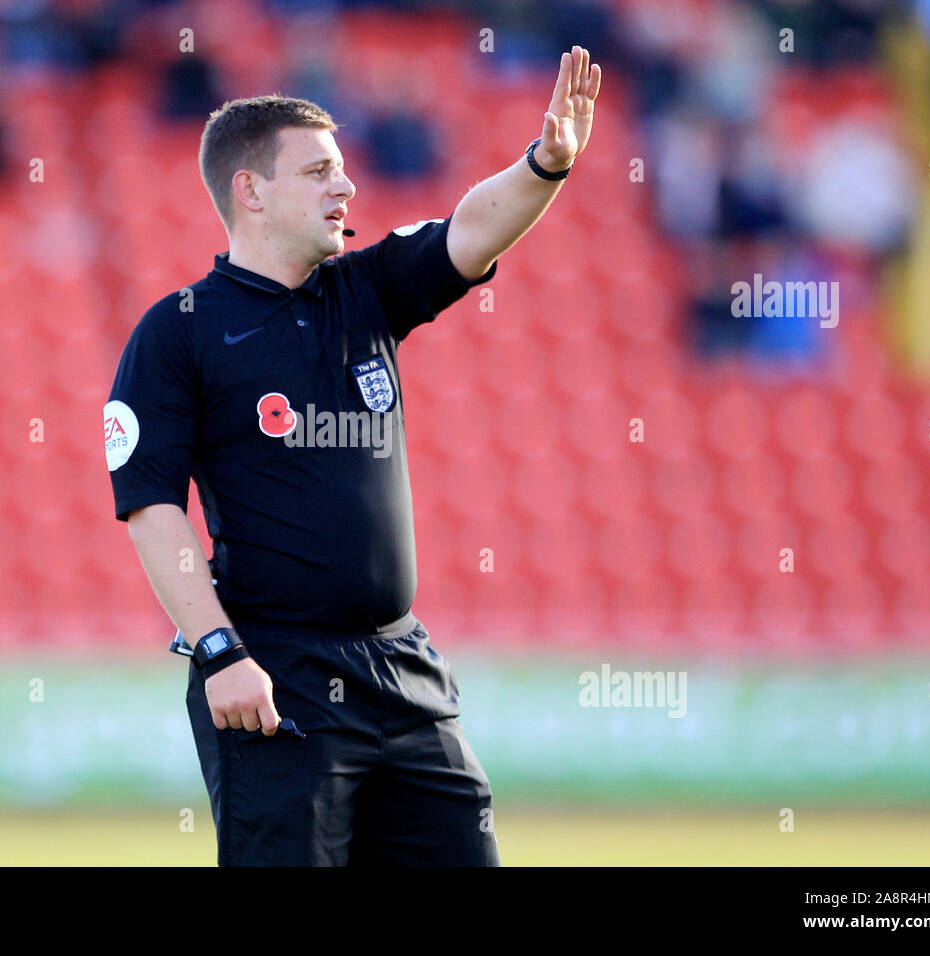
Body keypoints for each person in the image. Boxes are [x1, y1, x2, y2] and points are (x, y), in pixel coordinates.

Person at [105, 47, 601, 866]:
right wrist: (220, 651)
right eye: (320, 172)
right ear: (251, 191)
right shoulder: (179, 331)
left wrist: (545, 163)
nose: (347, 187)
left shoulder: (365, 290)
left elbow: (471, 228)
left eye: (343, 171)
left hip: (403, 669)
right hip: (277, 675)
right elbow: (153, 508)